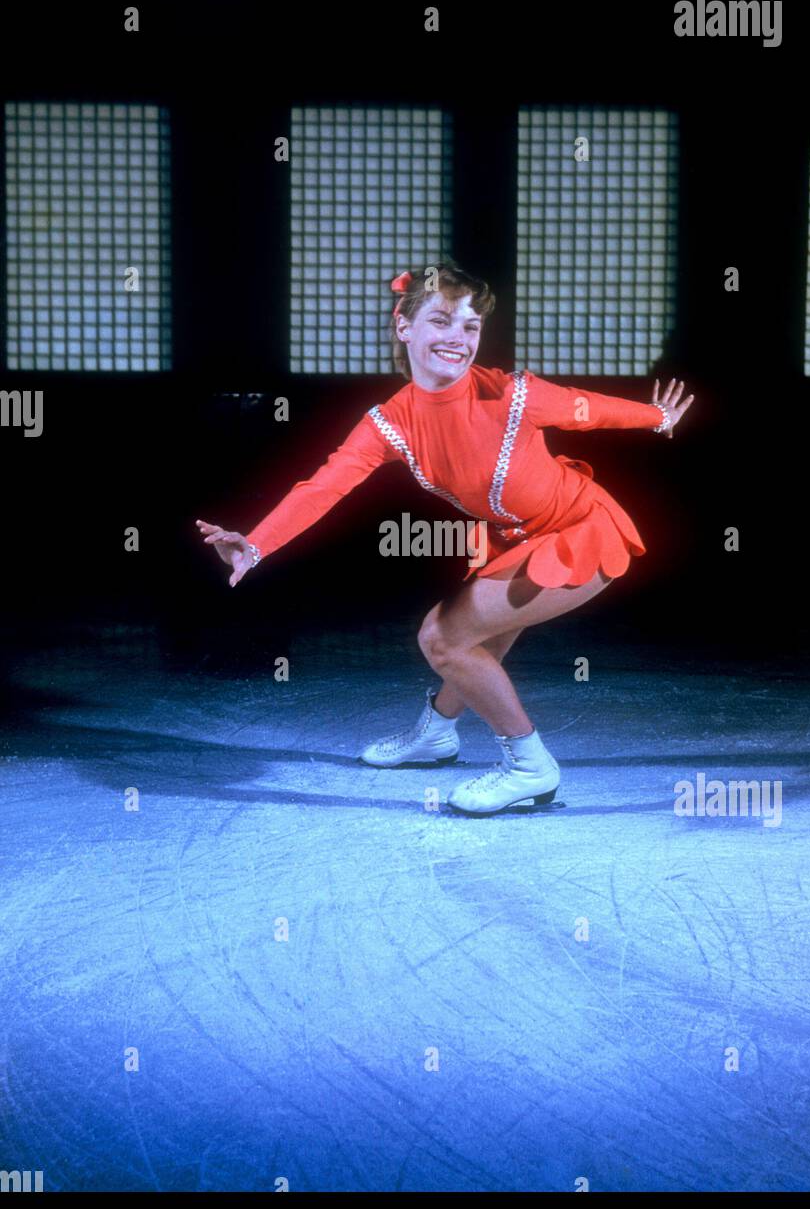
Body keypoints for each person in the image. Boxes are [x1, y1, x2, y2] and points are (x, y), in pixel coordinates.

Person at [197, 261, 694, 815]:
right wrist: (256, 543)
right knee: (472, 639)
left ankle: (530, 767)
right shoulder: (389, 422)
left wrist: (655, 417)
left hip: (583, 532)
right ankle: (436, 735)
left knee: (443, 638)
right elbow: (324, 487)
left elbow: (587, 409)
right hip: (518, 539)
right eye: (441, 321)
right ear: (404, 327)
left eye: (470, 326)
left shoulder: (512, 394)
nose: (459, 338)